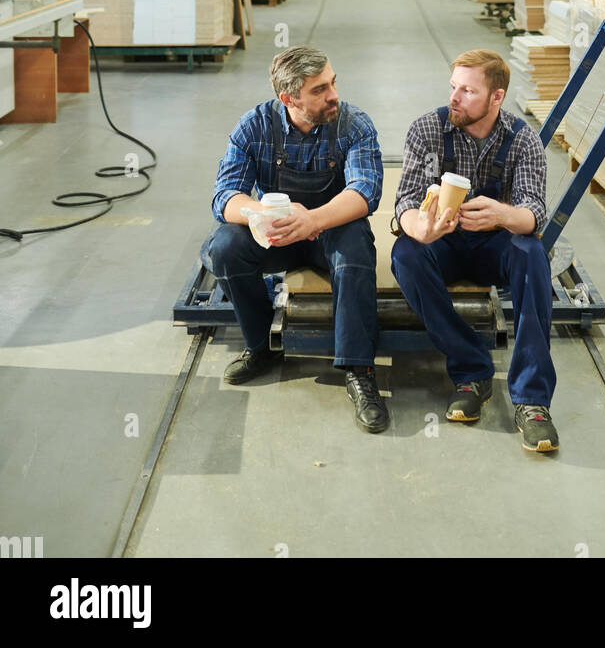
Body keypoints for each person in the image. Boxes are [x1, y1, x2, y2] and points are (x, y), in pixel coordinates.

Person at [201, 46, 388, 433]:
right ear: (289, 99)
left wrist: (313, 220)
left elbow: (366, 190)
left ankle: (358, 369)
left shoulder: (353, 124)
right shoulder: (253, 126)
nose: (333, 94)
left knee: (355, 250)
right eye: (319, 89)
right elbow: (224, 196)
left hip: (331, 228)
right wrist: (256, 214)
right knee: (224, 248)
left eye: (333, 82)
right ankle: (260, 348)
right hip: (279, 232)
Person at [391, 50, 558, 453]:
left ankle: (532, 400)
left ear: (496, 98)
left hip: (493, 246)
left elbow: (534, 214)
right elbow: (404, 203)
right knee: (405, 254)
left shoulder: (523, 139)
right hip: (443, 243)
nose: (455, 98)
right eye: (453, 88)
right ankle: (472, 368)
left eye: (468, 90)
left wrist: (504, 213)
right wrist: (422, 228)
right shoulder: (427, 130)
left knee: (531, 253)